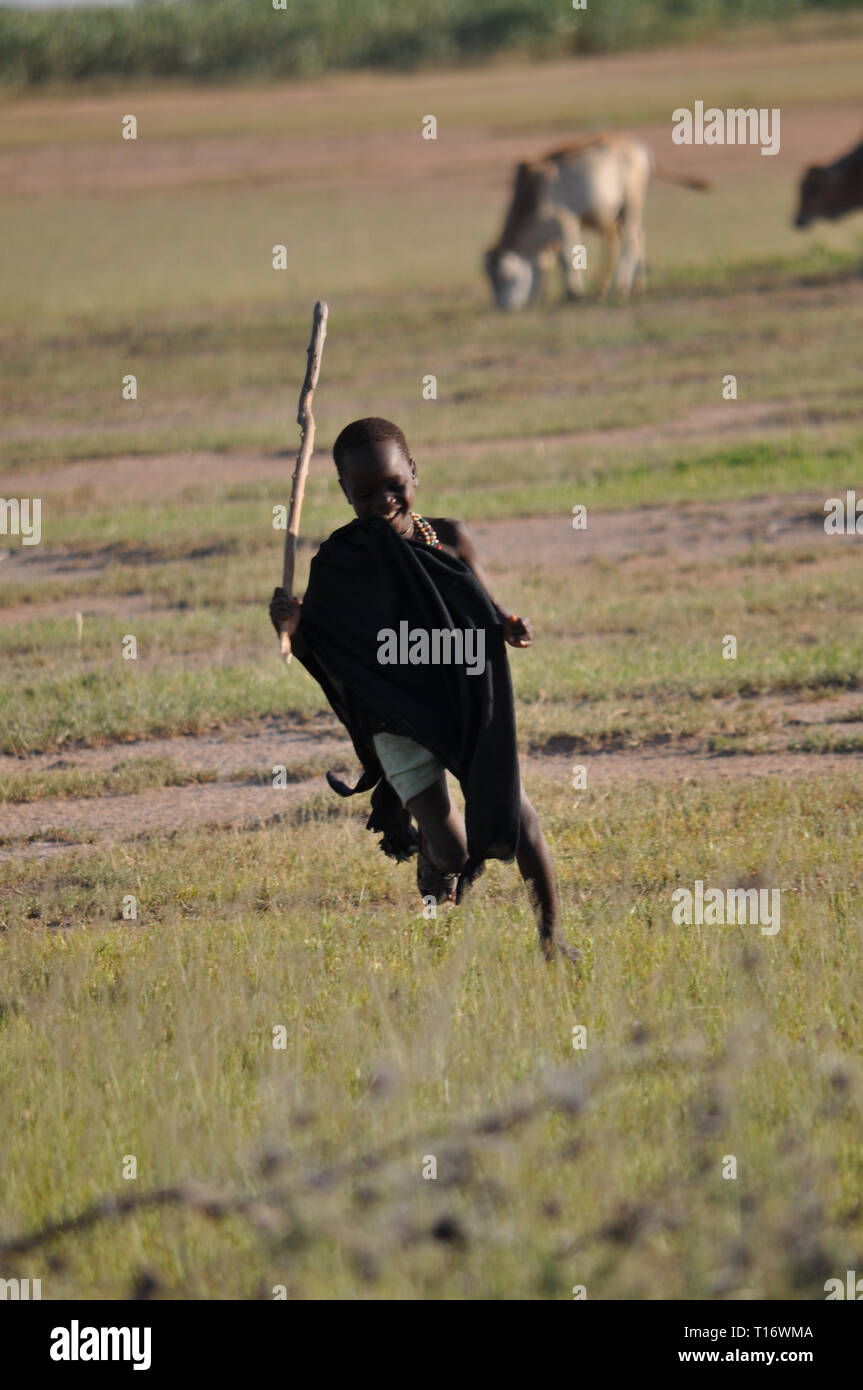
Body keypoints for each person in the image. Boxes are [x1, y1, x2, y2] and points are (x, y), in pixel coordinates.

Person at [270, 417, 575, 961]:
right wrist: (292, 623)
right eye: (364, 493)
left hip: (458, 699)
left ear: (414, 472)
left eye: (394, 485)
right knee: (453, 849)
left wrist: (507, 624)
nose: (384, 500)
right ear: (344, 492)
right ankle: (433, 865)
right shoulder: (340, 562)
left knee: (519, 816)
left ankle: (552, 938)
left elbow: (480, 602)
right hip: (394, 714)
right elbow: (323, 642)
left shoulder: (448, 538)